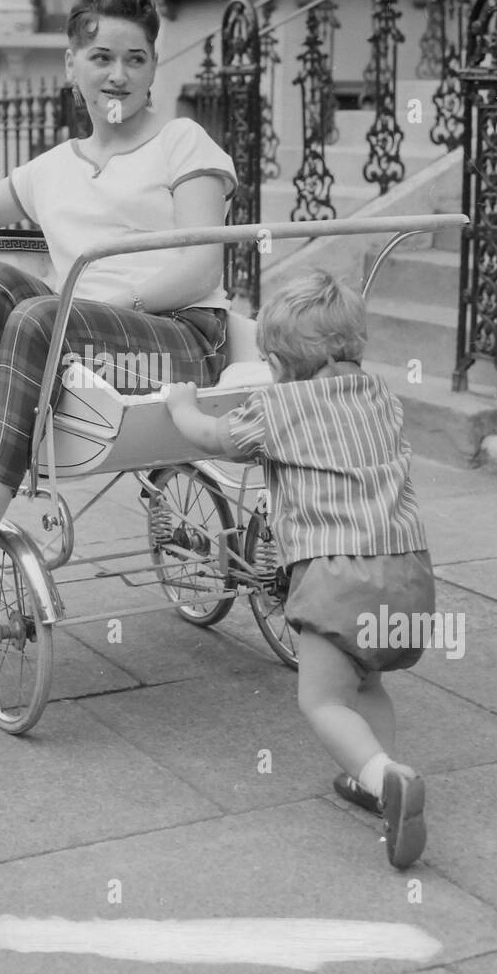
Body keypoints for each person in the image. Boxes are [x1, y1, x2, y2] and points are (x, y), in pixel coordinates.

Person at [0, 0, 237, 630]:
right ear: (71, 64)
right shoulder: (55, 165)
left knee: (42, 314)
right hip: (82, 339)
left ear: (154, 67)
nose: (118, 75)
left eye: (135, 59)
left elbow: (200, 266)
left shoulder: (183, 143)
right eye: (101, 58)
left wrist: (105, 300)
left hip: (178, 339)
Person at [163, 269, 435, 869]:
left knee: (322, 701)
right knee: (369, 684)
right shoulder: (382, 396)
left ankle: (384, 773)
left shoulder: (277, 406)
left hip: (340, 577)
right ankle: (373, 782)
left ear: (278, 367)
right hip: (411, 575)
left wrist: (182, 406)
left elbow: (214, 438)